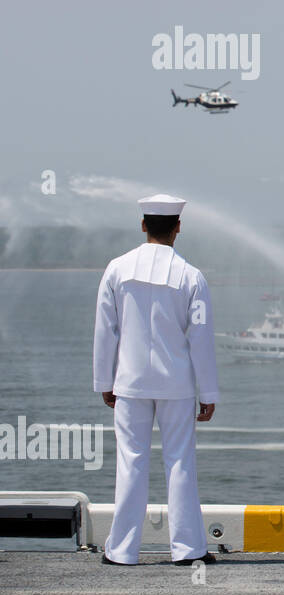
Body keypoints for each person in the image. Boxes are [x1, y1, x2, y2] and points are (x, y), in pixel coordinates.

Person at [92, 194, 218, 566]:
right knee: (180, 462)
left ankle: (122, 551)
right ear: (178, 227)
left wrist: (104, 380)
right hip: (176, 384)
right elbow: (201, 337)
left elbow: (105, 330)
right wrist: (208, 391)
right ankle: (188, 549)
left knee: (130, 461)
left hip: (129, 383)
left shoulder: (116, 269)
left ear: (143, 225)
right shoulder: (191, 276)